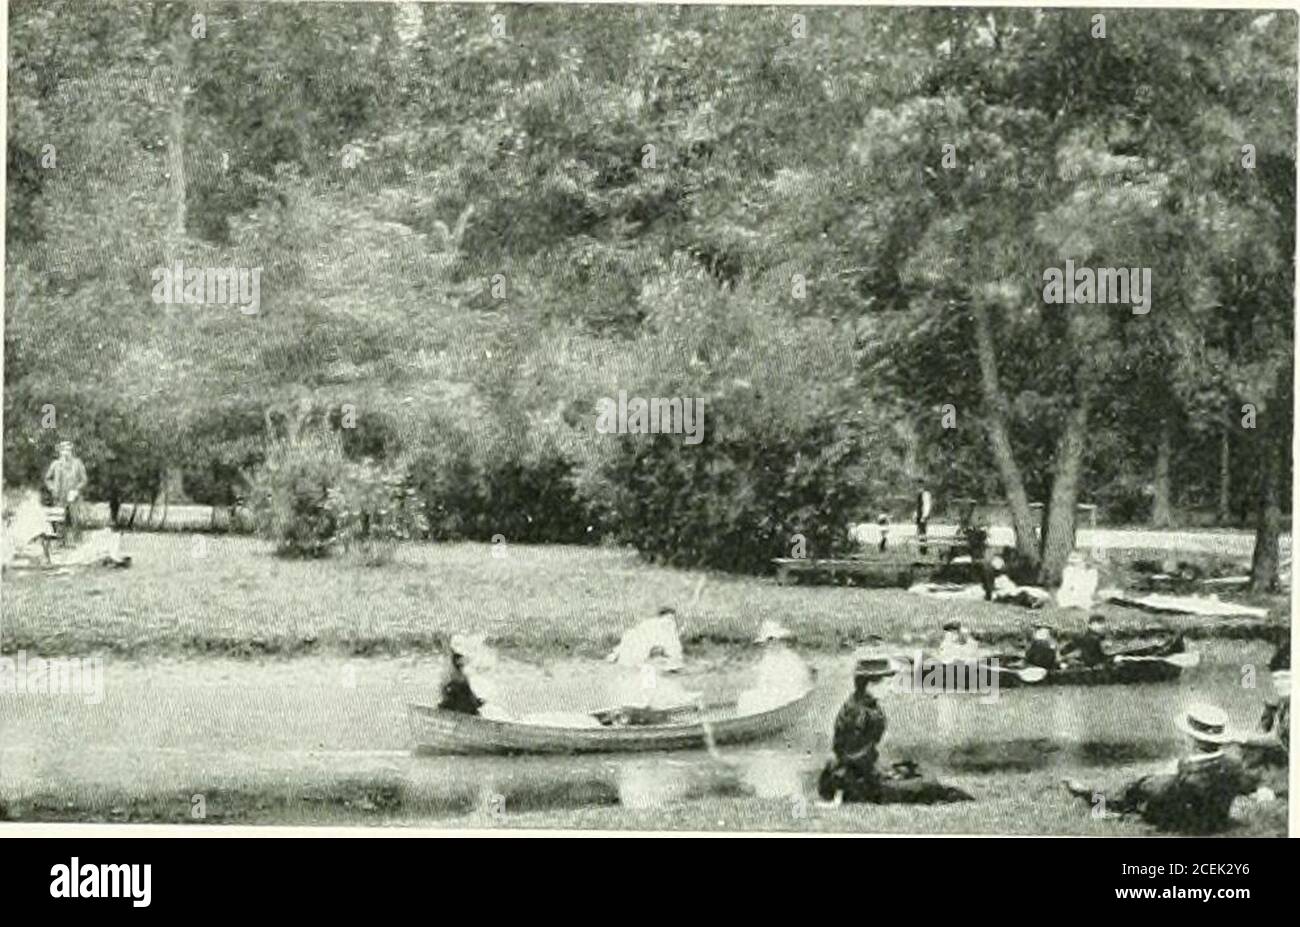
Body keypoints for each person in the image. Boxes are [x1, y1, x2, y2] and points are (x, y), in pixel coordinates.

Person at [1064, 704, 1259, 832]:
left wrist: (1153, 779)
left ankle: (1093, 797)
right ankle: (1108, 801)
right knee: (1149, 783)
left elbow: (1160, 794)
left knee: (1140, 786)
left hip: (1184, 824)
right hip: (1217, 822)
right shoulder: (1234, 766)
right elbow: (1249, 785)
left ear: (1192, 739)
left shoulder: (1187, 777)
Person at [817, 654, 973, 804]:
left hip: (856, 775)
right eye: (887, 682)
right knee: (923, 785)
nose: (891, 687)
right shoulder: (859, 713)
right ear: (871, 684)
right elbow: (851, 755)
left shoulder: (864, 705)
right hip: (855, 782)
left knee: (912, 771)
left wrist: (887, 770)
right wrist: (881, 773)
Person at [44, 441, 88, 542]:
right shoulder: (55, 464)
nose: (66, 452)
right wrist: (52, 488)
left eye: (68, 450)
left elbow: (84, 480)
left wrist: (76, 490)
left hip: (73, 498)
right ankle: (60, 543)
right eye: (63, 450)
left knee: (76, 520)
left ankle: (77, 544)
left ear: (71, 451)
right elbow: (47, 479)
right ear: (60, 452)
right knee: (59, 521)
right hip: (59, 497)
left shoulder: (77, 463)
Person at [438, 646, 484, 716]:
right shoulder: (451, 675)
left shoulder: (463, 676)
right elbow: (444, 689)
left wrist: (476, 700)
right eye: (460, 661)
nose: (463, 663)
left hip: (463, 703)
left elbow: (468, 691)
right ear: (456, 662)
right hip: (456, 703)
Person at [915, 482, 932, 555]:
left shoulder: (925, 494)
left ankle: (923, 550)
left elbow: (927, 506)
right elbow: (918, 506)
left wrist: (924, 516)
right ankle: (922, 548)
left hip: (923, 517)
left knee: (922, 532)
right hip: (920, 516)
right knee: (920, 532)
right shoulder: (920, 494)